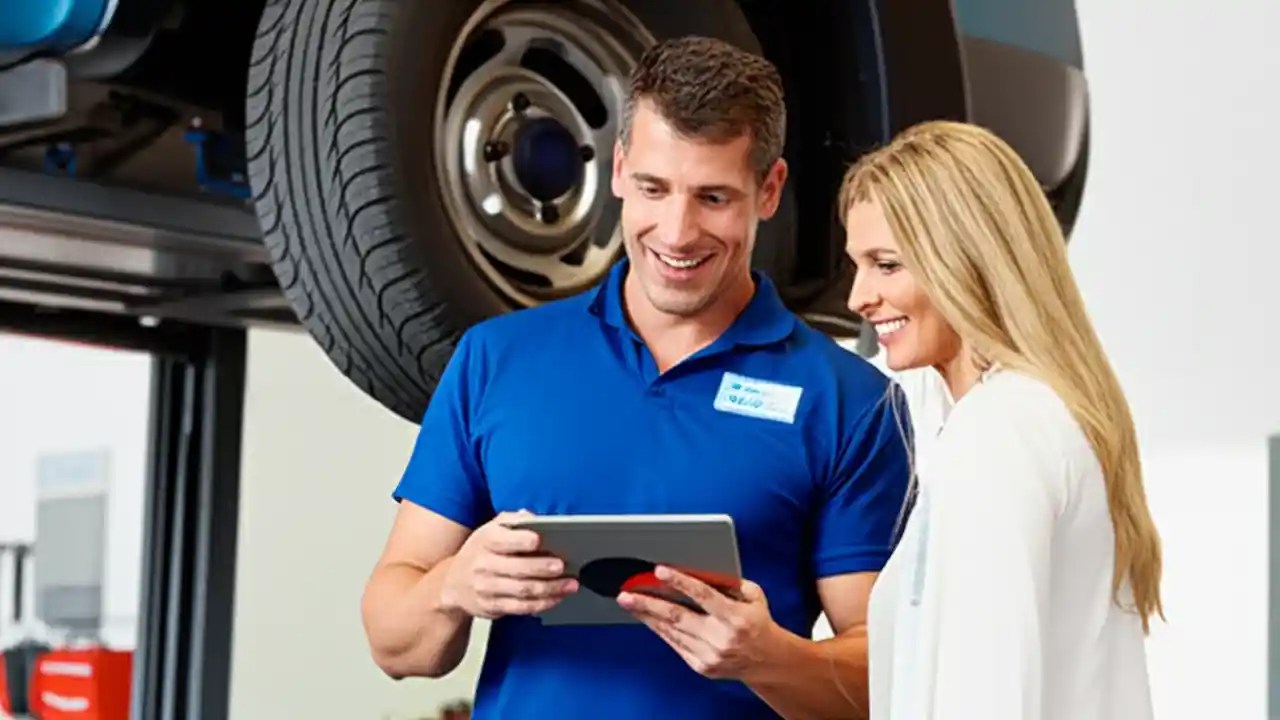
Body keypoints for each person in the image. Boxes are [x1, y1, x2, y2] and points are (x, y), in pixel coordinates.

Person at [359, 36, 911, 720]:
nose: (677, 233)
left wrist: (764, 655)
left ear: (768, 190)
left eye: (713, 197)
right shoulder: (497, 361)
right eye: (654, 189)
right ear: (617, 169)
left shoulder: (850, 402)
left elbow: (887, 683)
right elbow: (394, 642)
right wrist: (454, 586)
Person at [837, 119, 1164, 719]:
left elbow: (986, 696)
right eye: (858, 265)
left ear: (964, 261)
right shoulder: (1029, 416)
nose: (858, 297)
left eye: (886, 265)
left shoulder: (999, 433)